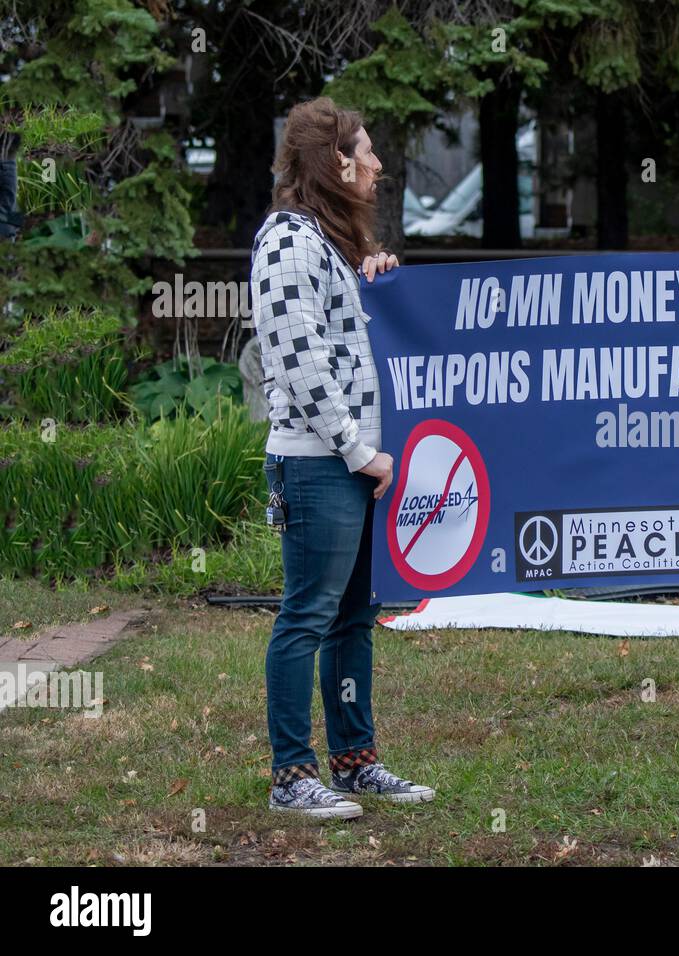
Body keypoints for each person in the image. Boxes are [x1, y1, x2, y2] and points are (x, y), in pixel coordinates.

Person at [251, 96, 434, 818]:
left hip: (350, 466)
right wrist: (360, 452)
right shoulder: (287, 242)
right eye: (367, 150)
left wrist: (375, 280)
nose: (379, 164)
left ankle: (355, 762)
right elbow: (299, 363)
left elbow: (340, 338)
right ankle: (291, 777)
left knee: (353, 616)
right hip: (319, 463)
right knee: (307, 616)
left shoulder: (325, 243)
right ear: (336, 161)